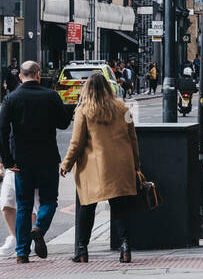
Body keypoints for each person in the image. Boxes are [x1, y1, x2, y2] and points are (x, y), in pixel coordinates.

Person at [60, 71, 141, 264]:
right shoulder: (123, 108)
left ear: (87, 89)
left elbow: (76, 143)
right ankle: (125, 247)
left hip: (94, 167)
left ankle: (82, 250)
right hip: (121, 165)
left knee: (87, 207)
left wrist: (66, 164)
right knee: (120, 208)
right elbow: (133, 138)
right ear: (107, 87)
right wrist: (136, 164)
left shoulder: (83, 110)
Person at [0, 60, 74, 262]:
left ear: (20, 76)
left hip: (21, 162)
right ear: (39, 74)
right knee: (49, 200)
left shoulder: (11, 98)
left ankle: (22, 253)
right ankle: (39, 227)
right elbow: (63, 123)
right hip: (47, 159)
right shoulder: (51, 96)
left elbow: (2, 131)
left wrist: (7, 161)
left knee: (24, 205)